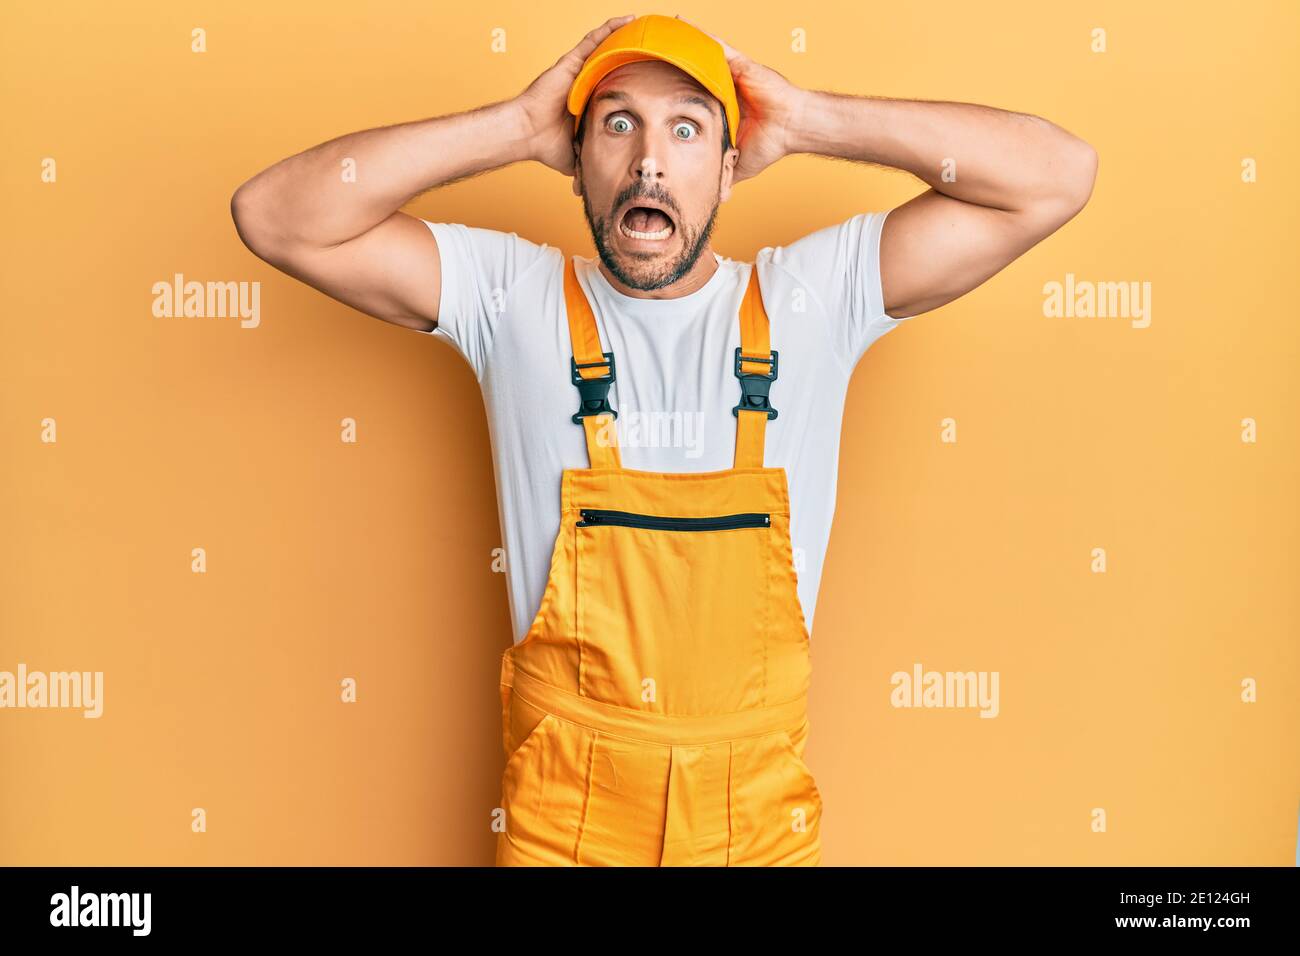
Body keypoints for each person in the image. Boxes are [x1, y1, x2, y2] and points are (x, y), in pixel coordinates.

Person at [231, 14, 1097, 866]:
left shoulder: (813, 300)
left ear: (729, 169)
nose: (649, 159)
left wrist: (804, 120)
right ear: (576, 163)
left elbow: (1057, 174)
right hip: (565, 820)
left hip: (756, 824)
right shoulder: (509, 299)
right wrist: (516, 125)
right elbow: (276, 216)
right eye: (617, 125)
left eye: (686, 128)